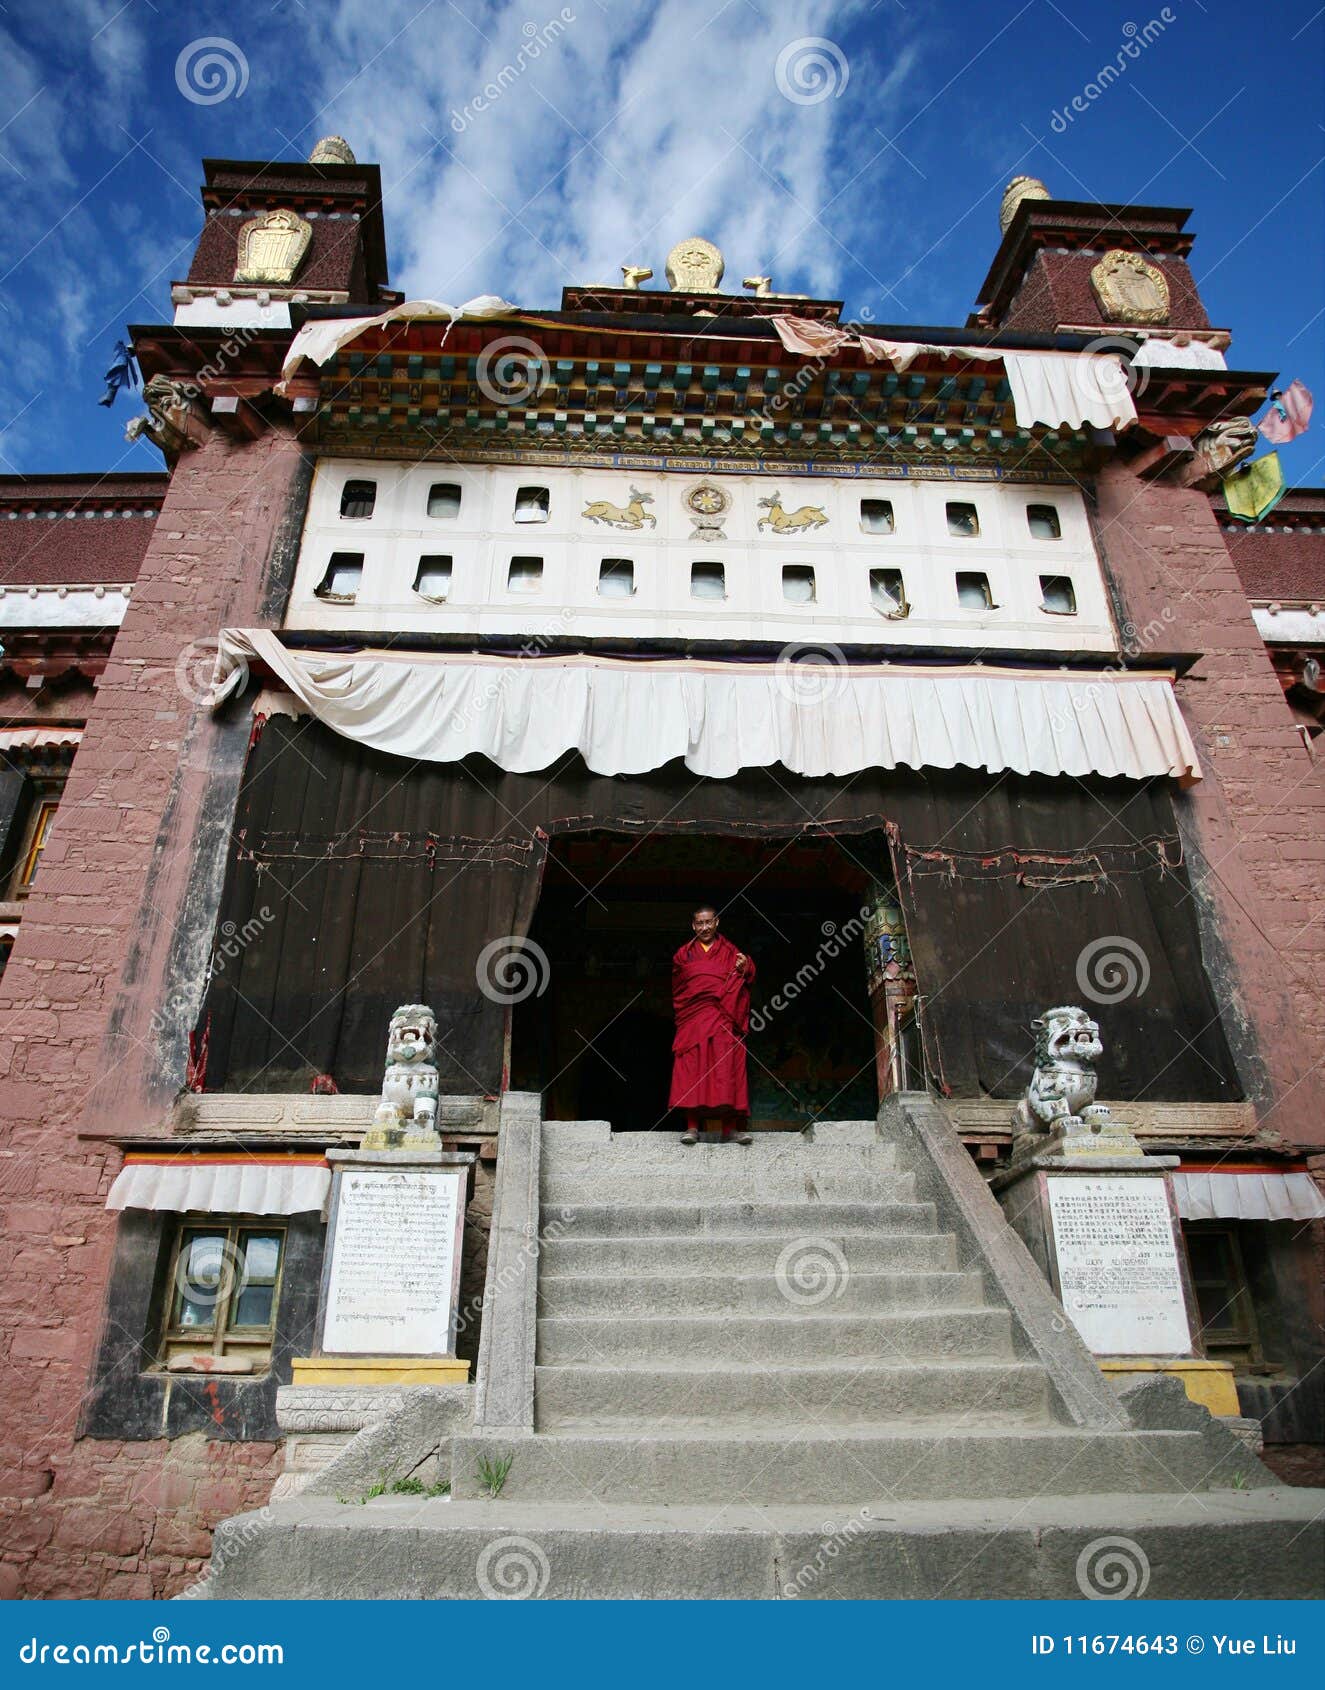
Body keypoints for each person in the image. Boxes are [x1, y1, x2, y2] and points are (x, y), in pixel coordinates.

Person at [669, 904, 755, 1145]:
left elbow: (745, 973)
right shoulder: (683, 955)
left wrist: (745, 968)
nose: (704, 927)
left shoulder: (730, 950)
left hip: (724, 1018)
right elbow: (679, 990)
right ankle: (692, 1128)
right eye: (700, 923)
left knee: (727, 1069)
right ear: (693, 925)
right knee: (692, 1070)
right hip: (694, 1018)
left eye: (709, 922)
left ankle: (731, 1129)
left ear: (717, 922)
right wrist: (686, 1015)